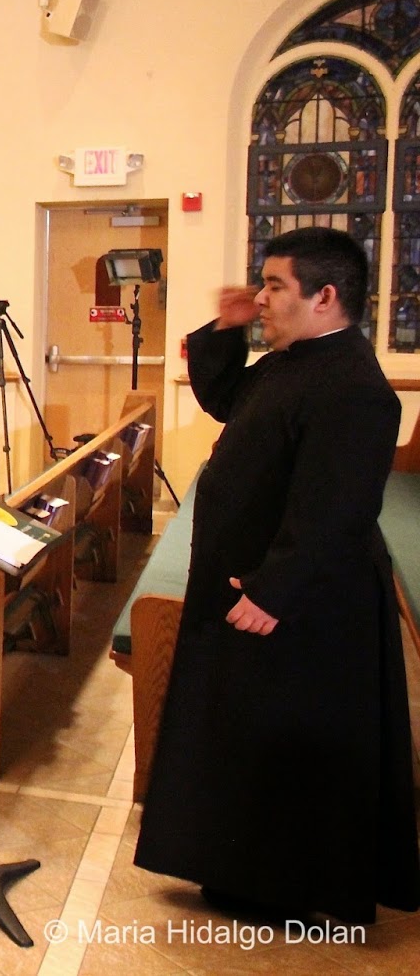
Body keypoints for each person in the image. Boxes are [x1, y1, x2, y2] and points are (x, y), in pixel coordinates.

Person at [134, 227, 420, 926]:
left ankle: (294, 889)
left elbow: (338, 508)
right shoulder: (294, 361)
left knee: (287, 738)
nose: (261, 297)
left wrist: (274, 591)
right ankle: (241, 870)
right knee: (243, 730)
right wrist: (228, 330)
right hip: (250, 581)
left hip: (298, 604)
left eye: (274, 286)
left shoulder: (354, 387)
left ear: (325, 297)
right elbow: (227, 397)